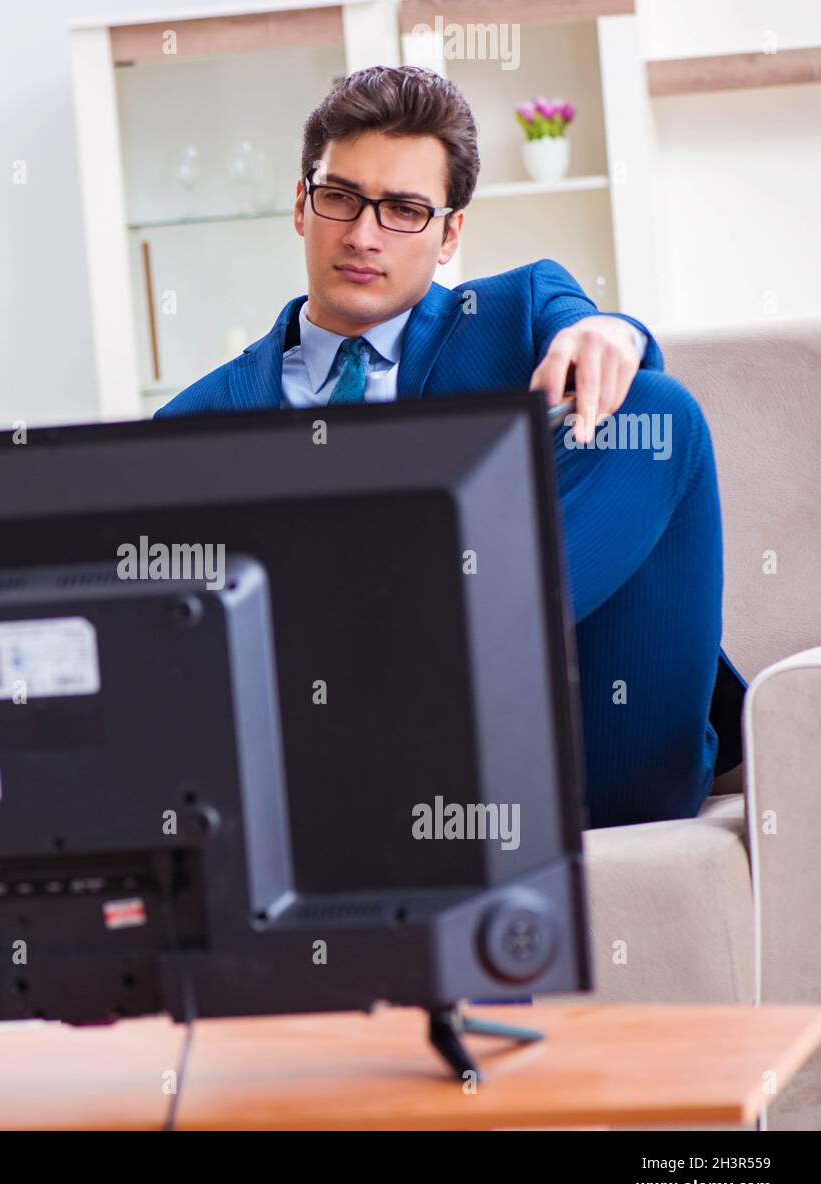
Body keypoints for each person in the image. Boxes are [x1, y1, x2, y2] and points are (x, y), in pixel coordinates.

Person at [155, 65, 745, 829]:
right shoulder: (194, 421)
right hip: (340, 778)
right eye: (340, 198)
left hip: (594, 752)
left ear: (449, 234)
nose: (364, 235)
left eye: (404, 209)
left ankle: (403, 656)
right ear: (302, 205)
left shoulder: (517, 311)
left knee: (657, 415)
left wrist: (615, 331)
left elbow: (600, 358)